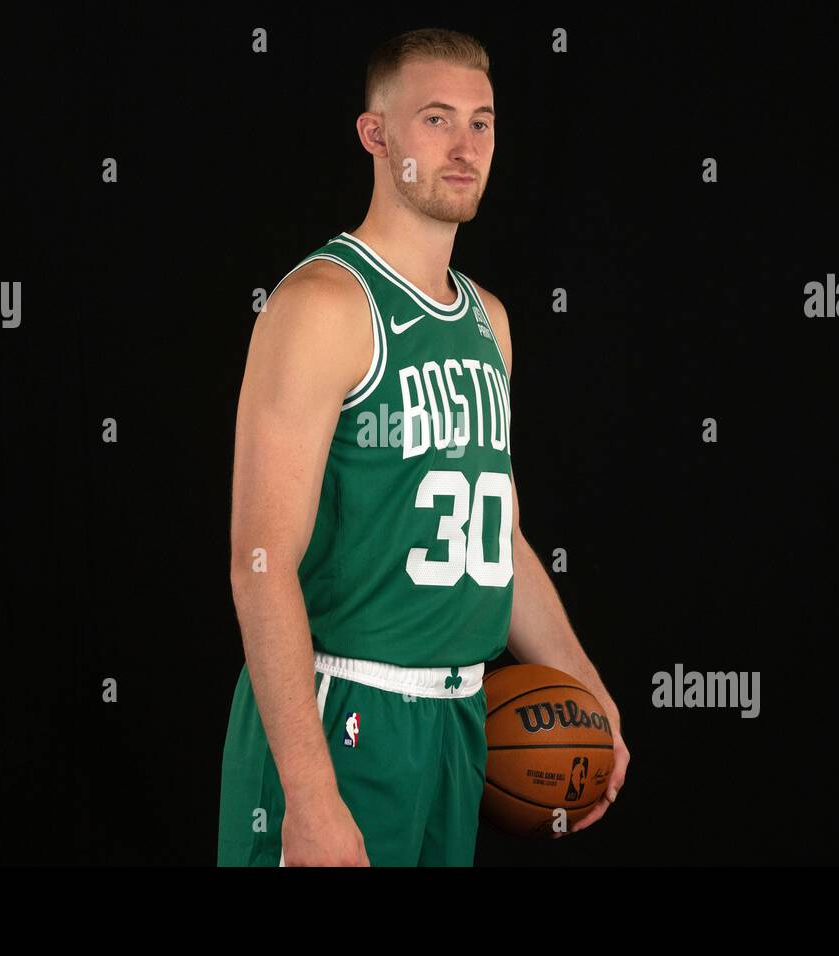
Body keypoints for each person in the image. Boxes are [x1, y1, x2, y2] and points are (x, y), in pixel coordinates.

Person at [217, 27, 629, 867]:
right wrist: (310, 791)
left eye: (481, 122)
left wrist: (588, 689)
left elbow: (501, 542)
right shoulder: (325, 305)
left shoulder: (491, 322)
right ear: (377, 136)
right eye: (436, 119)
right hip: (341, 711)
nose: (466, 145)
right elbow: (258, 562)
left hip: (457, 722)